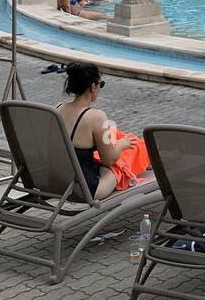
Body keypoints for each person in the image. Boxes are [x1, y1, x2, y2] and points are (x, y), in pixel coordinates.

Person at [56, 62, 150, 200]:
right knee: (124, 156)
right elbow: (109, 160)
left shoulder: (57, 108)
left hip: (60, 181)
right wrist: (122, 144)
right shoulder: (97, 117)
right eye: (101, 84)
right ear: (93, 86)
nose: (100, 88)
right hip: (88, 188)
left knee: (114, 136)